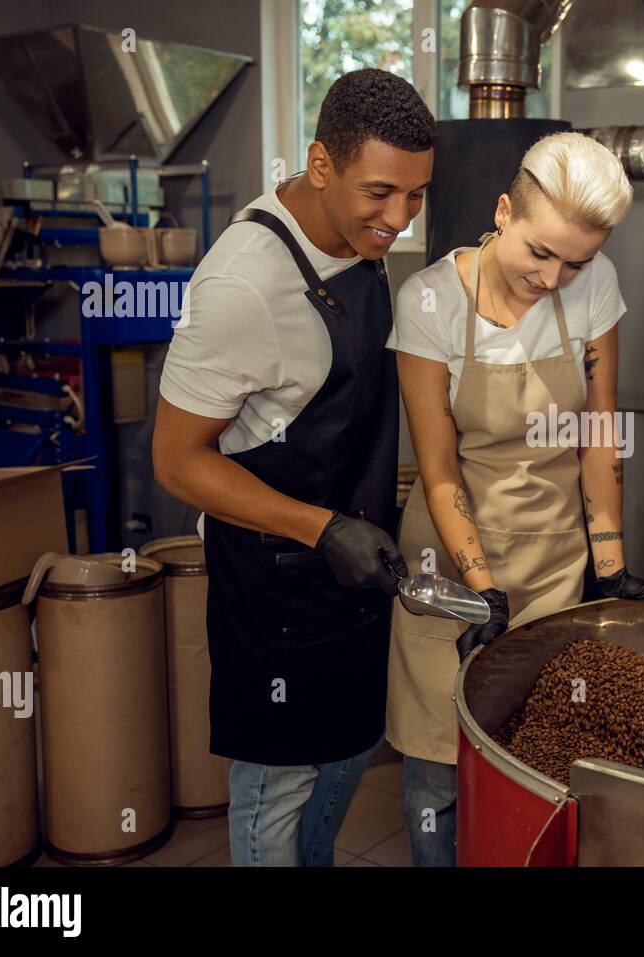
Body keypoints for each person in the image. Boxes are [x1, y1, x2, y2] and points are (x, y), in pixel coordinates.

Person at [152, 69, 436, 866]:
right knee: (277, 787)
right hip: (278, 582)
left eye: (416, 196)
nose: (398, 218)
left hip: (354, 564)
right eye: (381, 193)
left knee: (348, 747)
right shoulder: (245, 283)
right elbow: (175, 460)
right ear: (320, 164)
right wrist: (322, 527)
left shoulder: (360, 242)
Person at [385, 131, 644, 866]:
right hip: (453, 576)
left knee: (538, 760)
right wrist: (481, 590)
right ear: (502, 211)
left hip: (552, 565)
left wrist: (608, 563)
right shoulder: (428, 301)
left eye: (574, 261)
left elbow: (597, 435)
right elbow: (440, 468)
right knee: (437, 776)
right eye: (539, 252)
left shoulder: (595, 283)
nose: (554, 278)